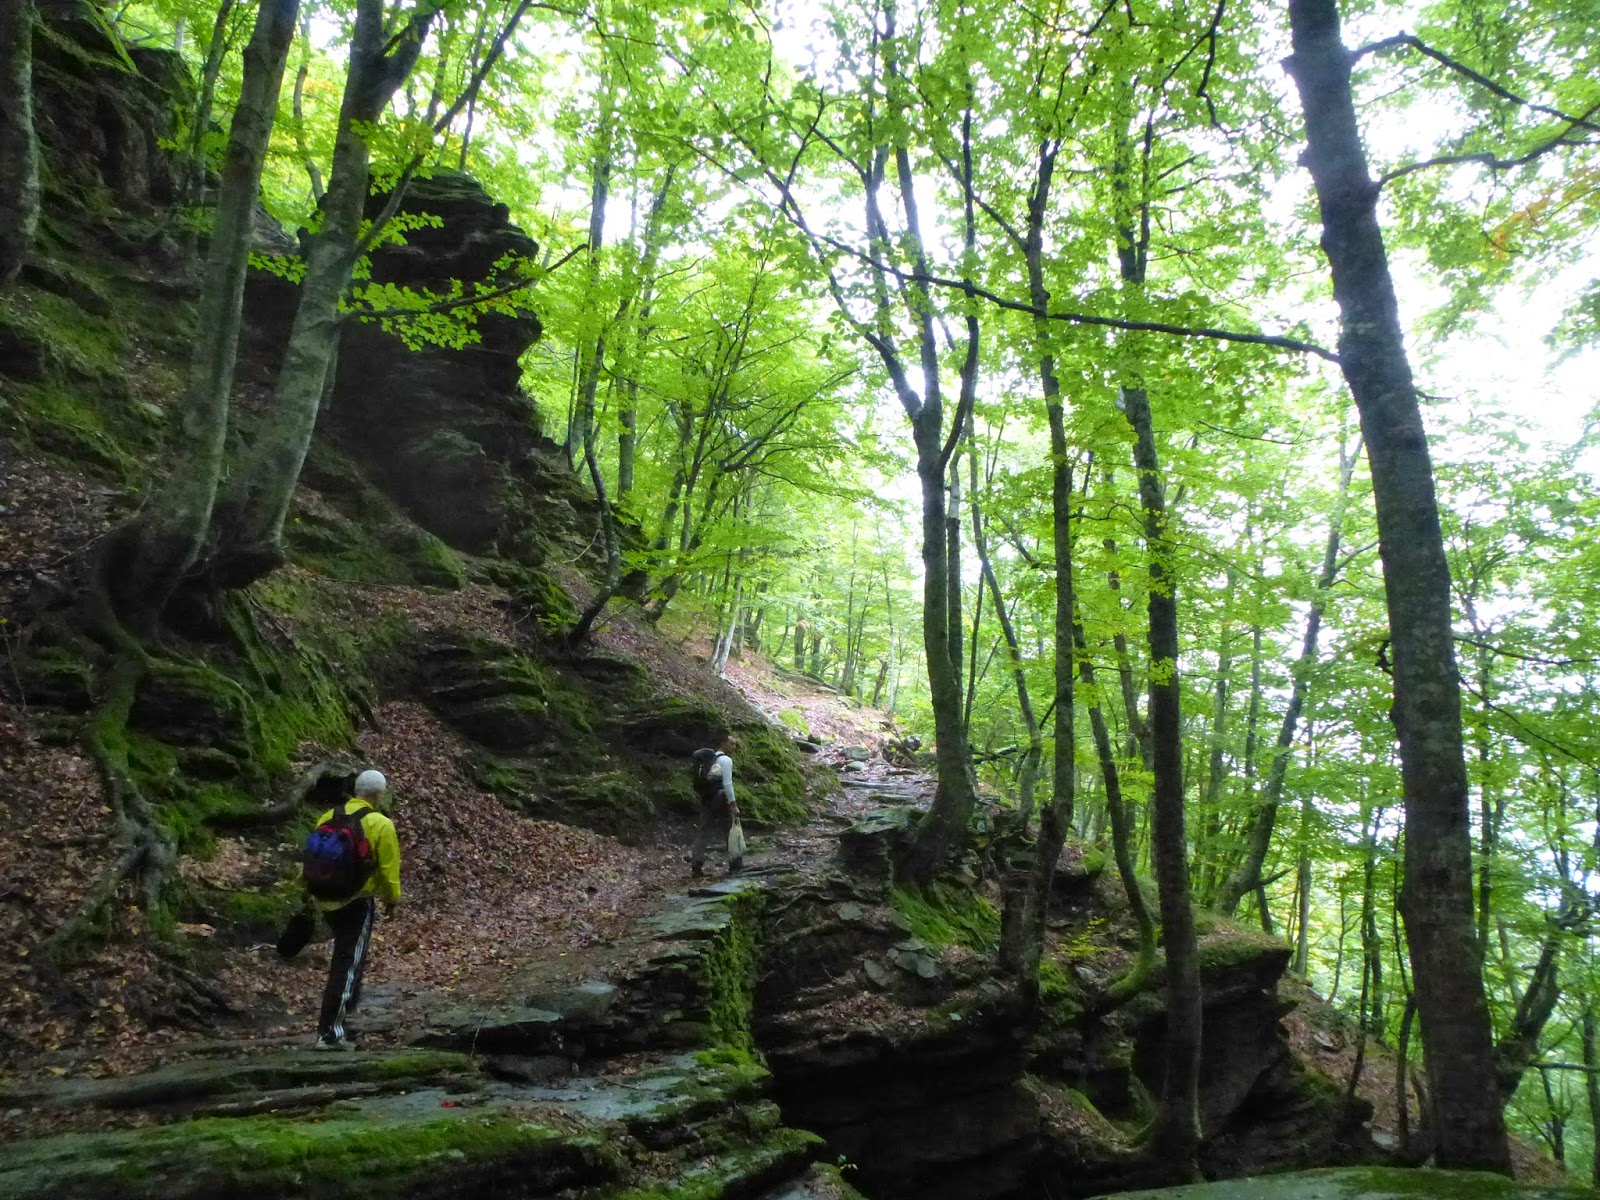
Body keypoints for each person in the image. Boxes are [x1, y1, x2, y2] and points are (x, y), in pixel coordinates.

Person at [303, 768, 401, 1051]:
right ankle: (330, 1034)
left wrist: (307, 894)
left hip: (325, 898)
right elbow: (388, 870)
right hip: (356, 901)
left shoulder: (328, 816)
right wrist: (392, 900)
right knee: (347, 963)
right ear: (379, 794)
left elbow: (311, 856)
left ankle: (345, 1022)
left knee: (348, 960)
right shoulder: (380, 824)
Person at [689, 739, 742, 879]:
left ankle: (696, 865)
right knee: (729, 830)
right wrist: (734, 805)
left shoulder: (709, 761)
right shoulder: (726, 760)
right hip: (720, 799)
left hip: (707, 799)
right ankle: (735, 864)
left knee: (704, 830)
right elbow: (728, 784)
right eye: (732, 743)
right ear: (723, 743)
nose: (734, 746)